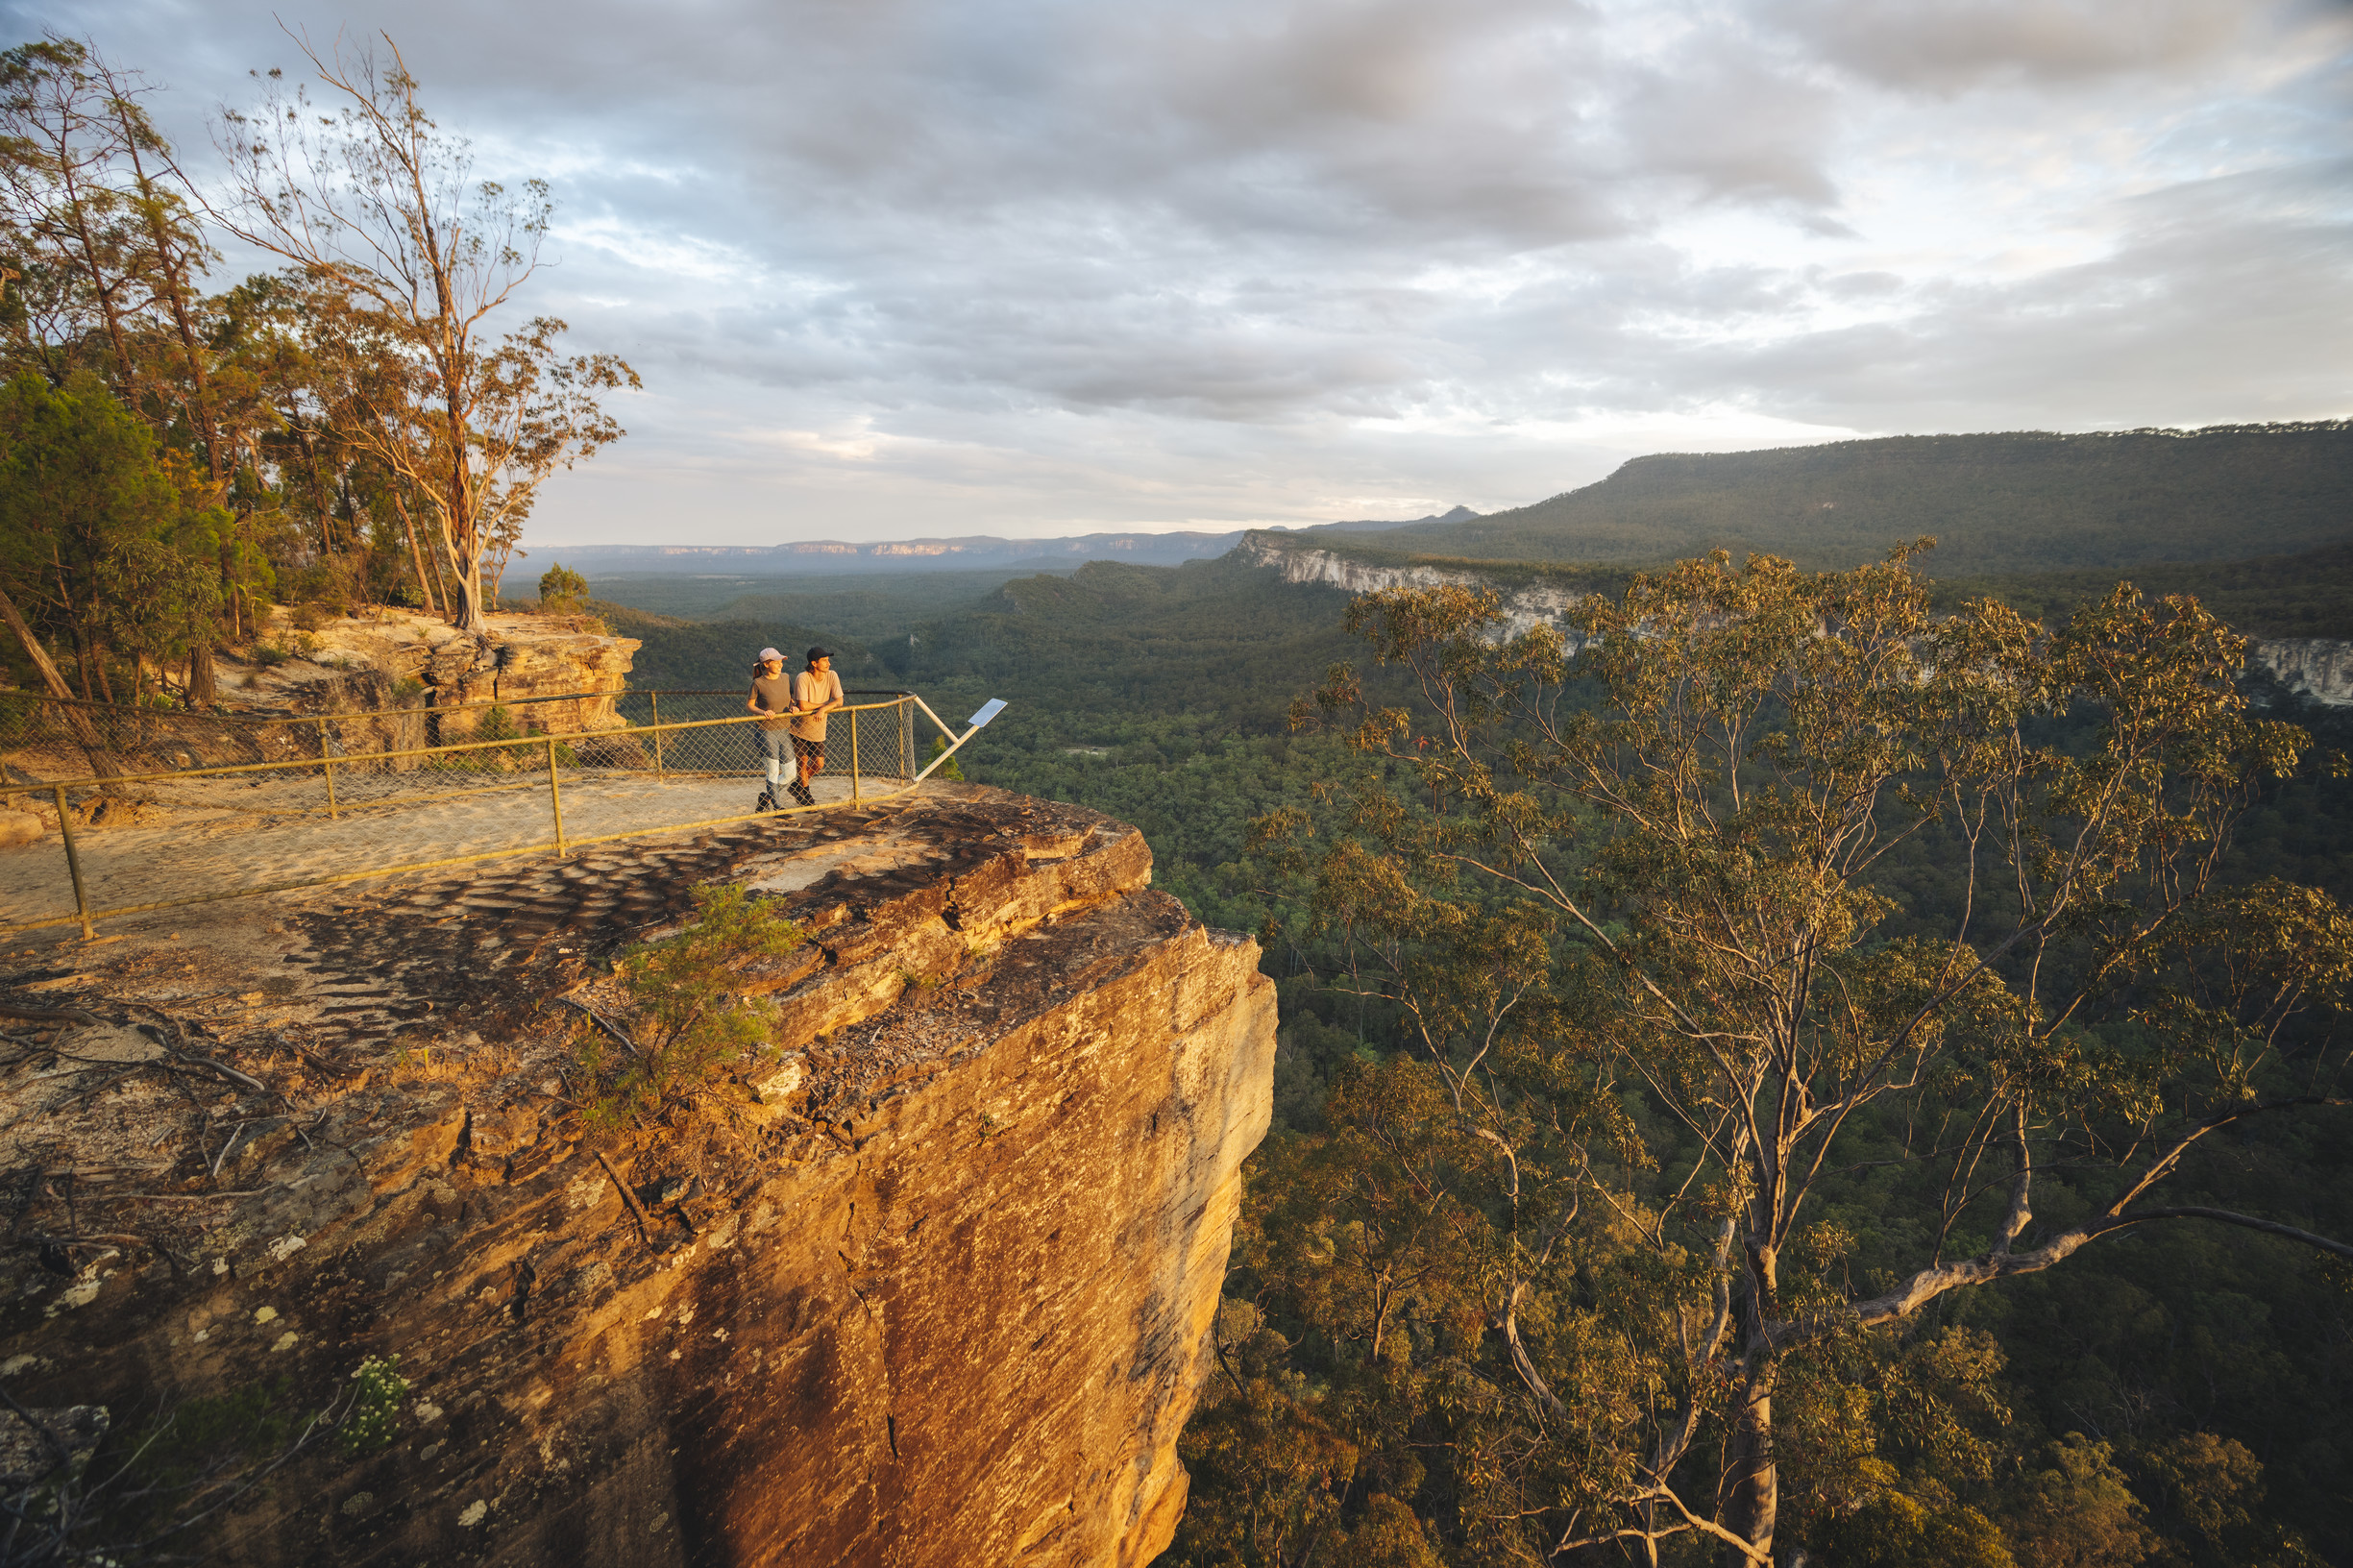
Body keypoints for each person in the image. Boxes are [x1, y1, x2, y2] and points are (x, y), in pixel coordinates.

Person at [788, 646, 845, 807]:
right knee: (803, 763)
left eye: (828, 660)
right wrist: (826, 703)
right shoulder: (803, 678)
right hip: (799, 729)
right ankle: (806, 796)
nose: (829, 664)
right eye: (825, 661)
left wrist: (824, 709)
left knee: (819, 763)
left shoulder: (832, 676)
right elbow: (804, 706)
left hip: (819, 729)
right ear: (814, 663)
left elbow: (839, 701)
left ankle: (798, 787)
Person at [746, 647, 796, 812]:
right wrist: (763, 712)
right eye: (776, 662)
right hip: (765, 731)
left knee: (790, 773)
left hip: (784, 729)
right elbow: (750, 706)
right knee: (773, 771)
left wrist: (793, 707)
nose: (780, 664)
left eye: (781, 661)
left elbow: (791, 699)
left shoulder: (787, 678)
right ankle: (777, 806)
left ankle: (766, 798)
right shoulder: (758, 683)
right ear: (766, 664)